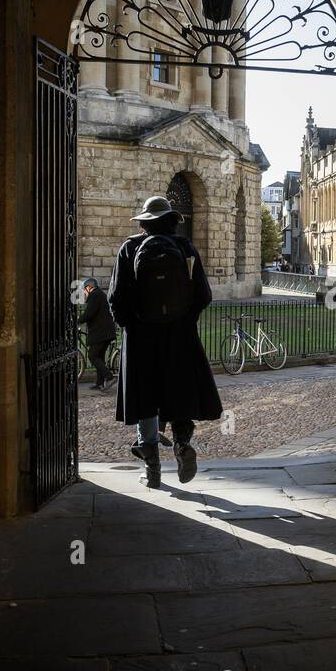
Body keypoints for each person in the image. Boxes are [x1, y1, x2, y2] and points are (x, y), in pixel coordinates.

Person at [107, 195, 222, 487]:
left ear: (145, 223)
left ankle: (152, 467)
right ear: (172, 220)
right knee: (178, 391)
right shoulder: (185, 248)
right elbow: (204, 296)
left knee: (145, 398)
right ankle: (182, 445)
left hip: (140, 336)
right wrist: (184, 320)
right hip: (179, 334)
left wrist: (131, 326)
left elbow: (116, 298)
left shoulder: (130, 248)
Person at [78, 277, 117, 391]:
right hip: (106, 332)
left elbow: (89, 313)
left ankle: (108, 376)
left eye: (84, 290)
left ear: (89, 287)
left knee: (92, 355)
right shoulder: (100, 294)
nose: (84, 293)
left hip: (101, 333)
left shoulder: (95, 295)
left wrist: (78, 320)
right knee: (99, 356)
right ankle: (99, 383)